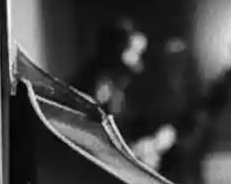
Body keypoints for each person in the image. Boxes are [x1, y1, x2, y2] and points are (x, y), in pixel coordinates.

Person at [71, 17, 176, 167]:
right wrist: (139, 152)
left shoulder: (118, 90)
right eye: (134, 53)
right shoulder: (90, 94)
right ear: (114, 52)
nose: (139, 65)